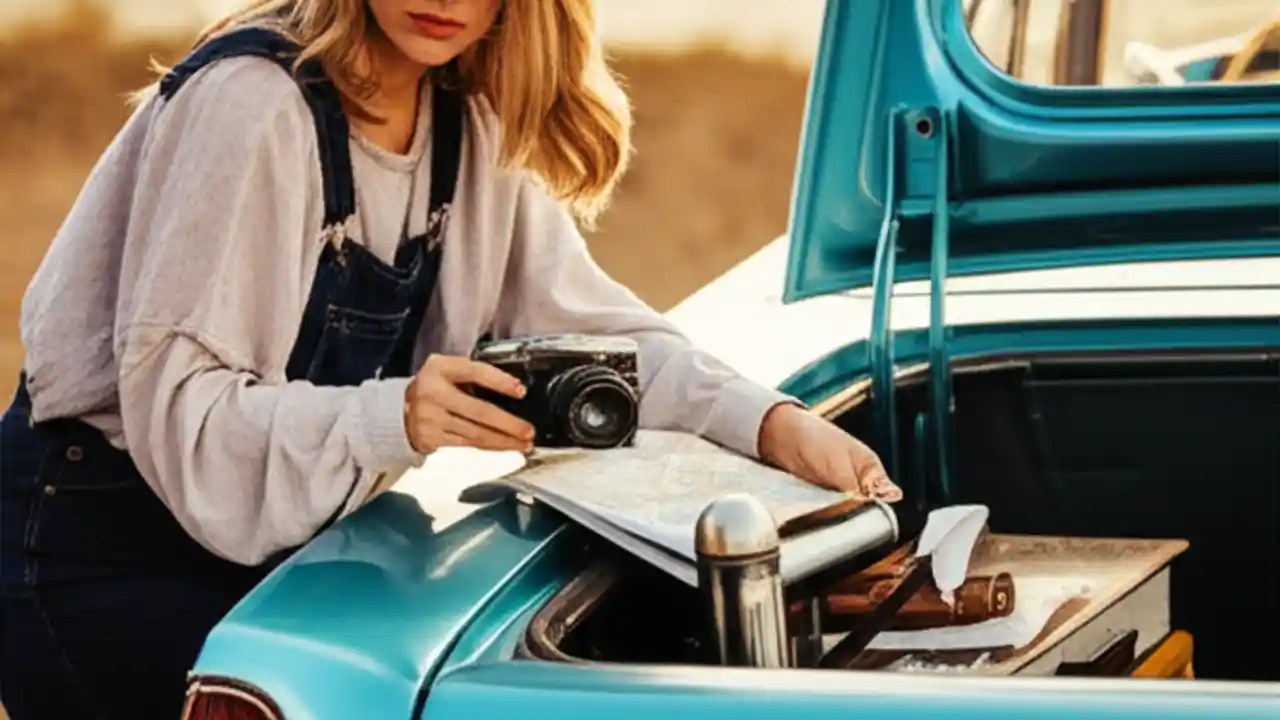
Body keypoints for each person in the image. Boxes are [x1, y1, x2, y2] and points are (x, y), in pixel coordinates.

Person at [0, 0, 900, 717]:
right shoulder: (251, 103)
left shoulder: (467, 119)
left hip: (282, 544)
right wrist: (392, 417)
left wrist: (776, 426)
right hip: (95, 543)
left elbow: (603, 338)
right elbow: (184, 413)